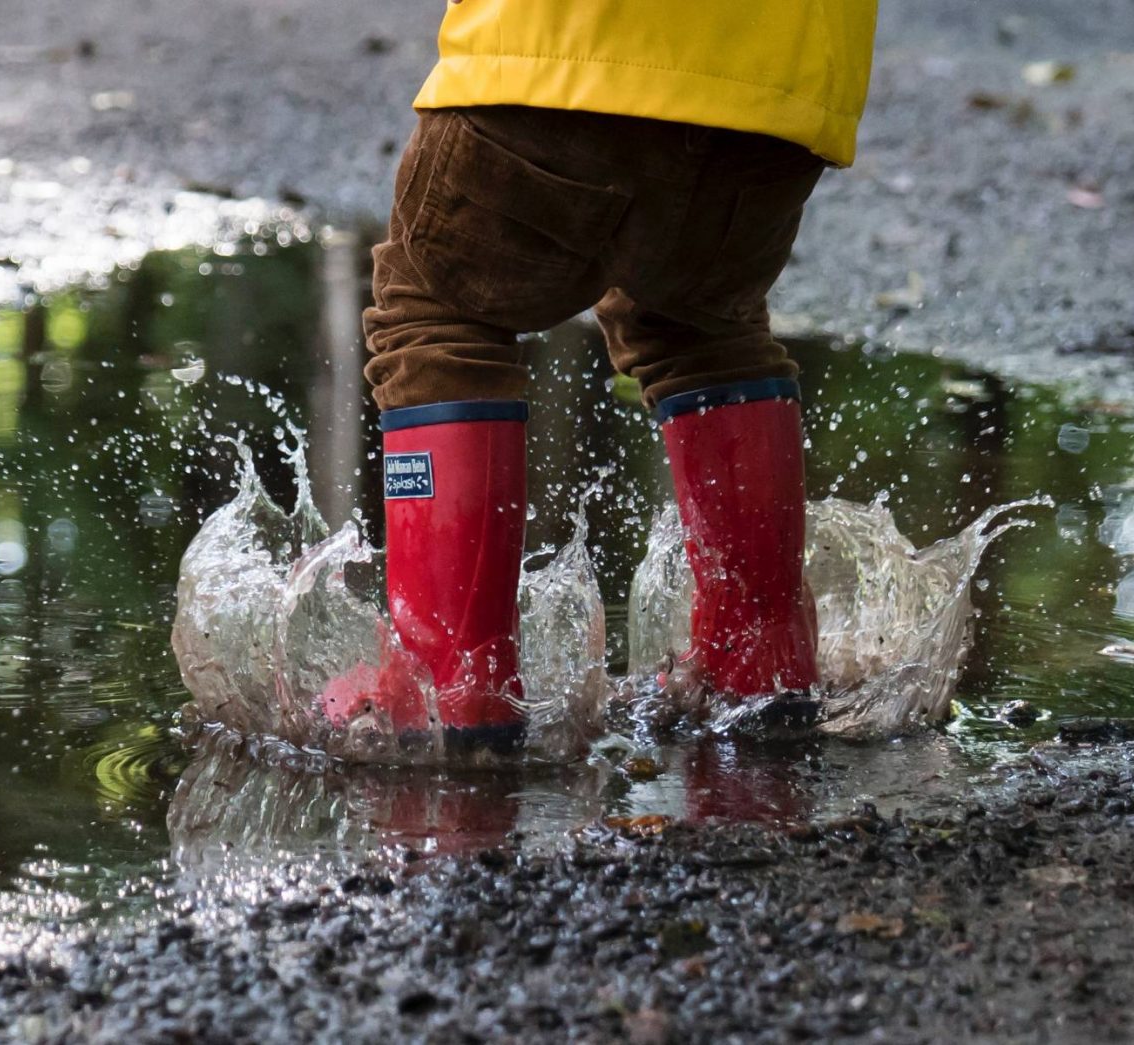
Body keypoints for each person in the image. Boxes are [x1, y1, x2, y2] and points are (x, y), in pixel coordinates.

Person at [323, 1, 879, 752]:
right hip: (778, 97)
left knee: (436, 312)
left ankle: (447, 687)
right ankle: (759, 666)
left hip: (569, 49)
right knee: (701, 326)